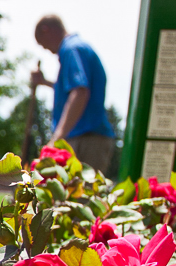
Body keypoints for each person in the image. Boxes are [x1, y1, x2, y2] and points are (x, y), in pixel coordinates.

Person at [30, 15, 117, 173]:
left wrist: (58, 137)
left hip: (86, 139)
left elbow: (80, 92)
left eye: (42, 44)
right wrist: (44, 82)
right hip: (88, 136)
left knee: (80, 189)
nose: (46, 49)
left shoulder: (71, 49)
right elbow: (72, 89)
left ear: (45, 30)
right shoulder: (78, 47)